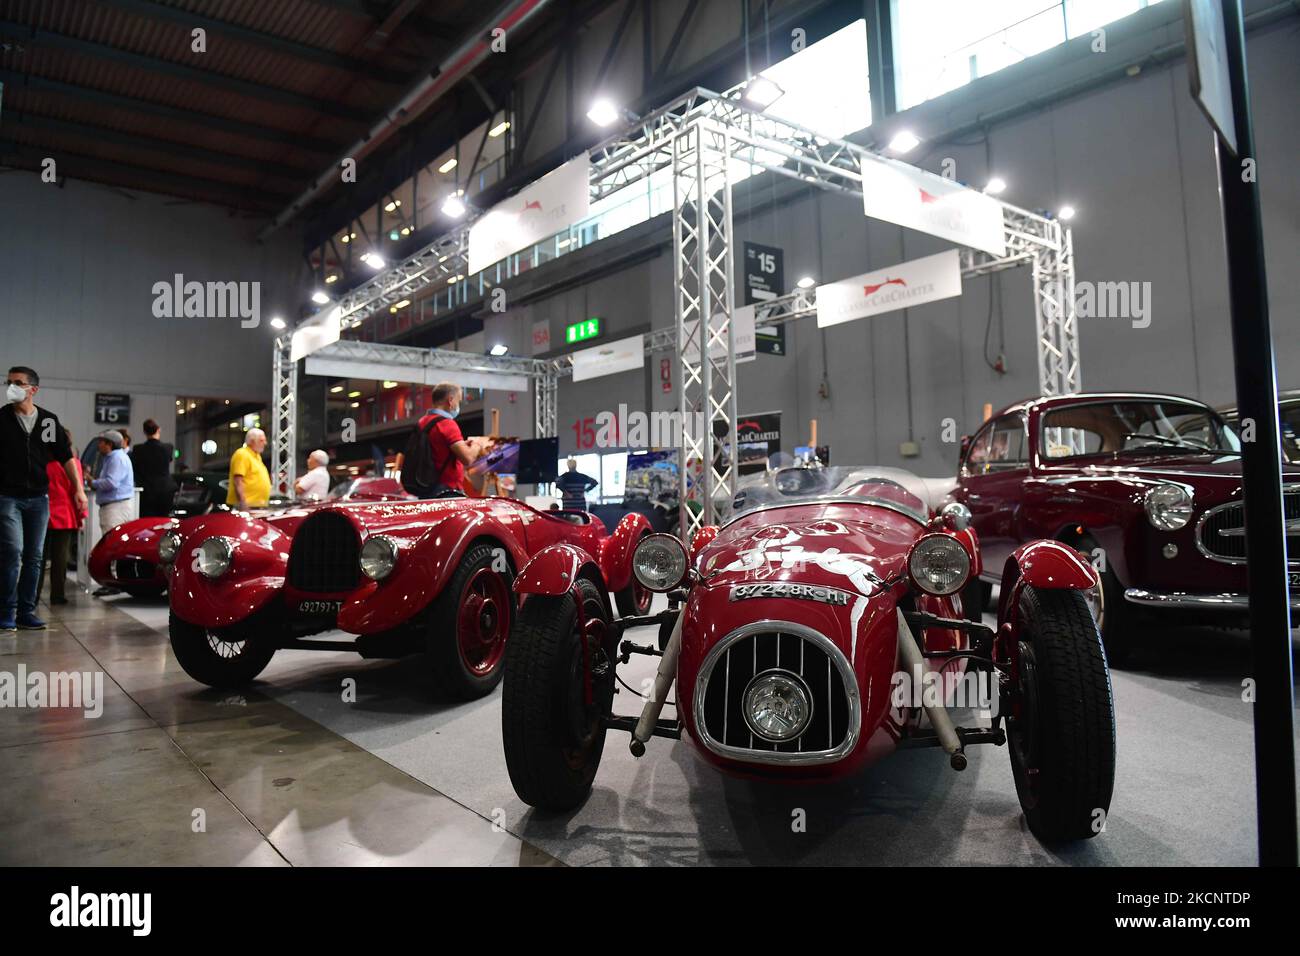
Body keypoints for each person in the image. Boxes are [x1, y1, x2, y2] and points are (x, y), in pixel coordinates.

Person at [1, 366, 86, 631]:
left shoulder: (48, 422)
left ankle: (27, 612)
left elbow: (65, 457)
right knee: (12, 552)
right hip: (8, 498)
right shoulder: (2, 419)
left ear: (33, 389)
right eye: (9, 382)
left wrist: (78, 489)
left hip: (39, 499)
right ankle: (6, 612)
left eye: (18, 382)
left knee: (35, 557)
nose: (11, 386)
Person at [413, 383, 484, 499]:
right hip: (446, 492)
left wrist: (461, 445)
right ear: (450, 400)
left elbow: (436, 449)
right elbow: (468, 458)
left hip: (426, 488)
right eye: (458, 401)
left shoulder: (422, 422)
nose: (458, 405)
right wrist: (477, 445)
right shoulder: (446, 424)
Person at [43, 427, 87, 605]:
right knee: (60, 557)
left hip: (42, 513)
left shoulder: (43, 462)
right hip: (64, 515)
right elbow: (77, 491)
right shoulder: (73, 463)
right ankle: (57, 595)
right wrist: (82, 516)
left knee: (37, 558)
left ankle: (32, 595)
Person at [90, 430, 135, 535]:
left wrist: (94, 483)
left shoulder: (116, 458)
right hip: (116, 507)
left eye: (101, 442)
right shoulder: (114, 458)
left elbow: (111, 483)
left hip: (115, 509)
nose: (99, 445)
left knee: (112, 542)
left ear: (109, 444)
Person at [130, 418, 174, 517]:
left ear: (144, 432)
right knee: (164, 522)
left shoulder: (138, 449)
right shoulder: (168, 448)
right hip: (165, 491)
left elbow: (135, 468)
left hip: (146, 492)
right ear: (158, 429)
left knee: (146, 523)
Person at [227, 428, 271, 509]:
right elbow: (238, 481)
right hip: (246, 506)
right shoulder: (242, 454)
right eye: (261, 440)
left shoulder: (256, 456)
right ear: (252, 441)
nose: (265, 443)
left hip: (256, 506)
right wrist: (243, 503)